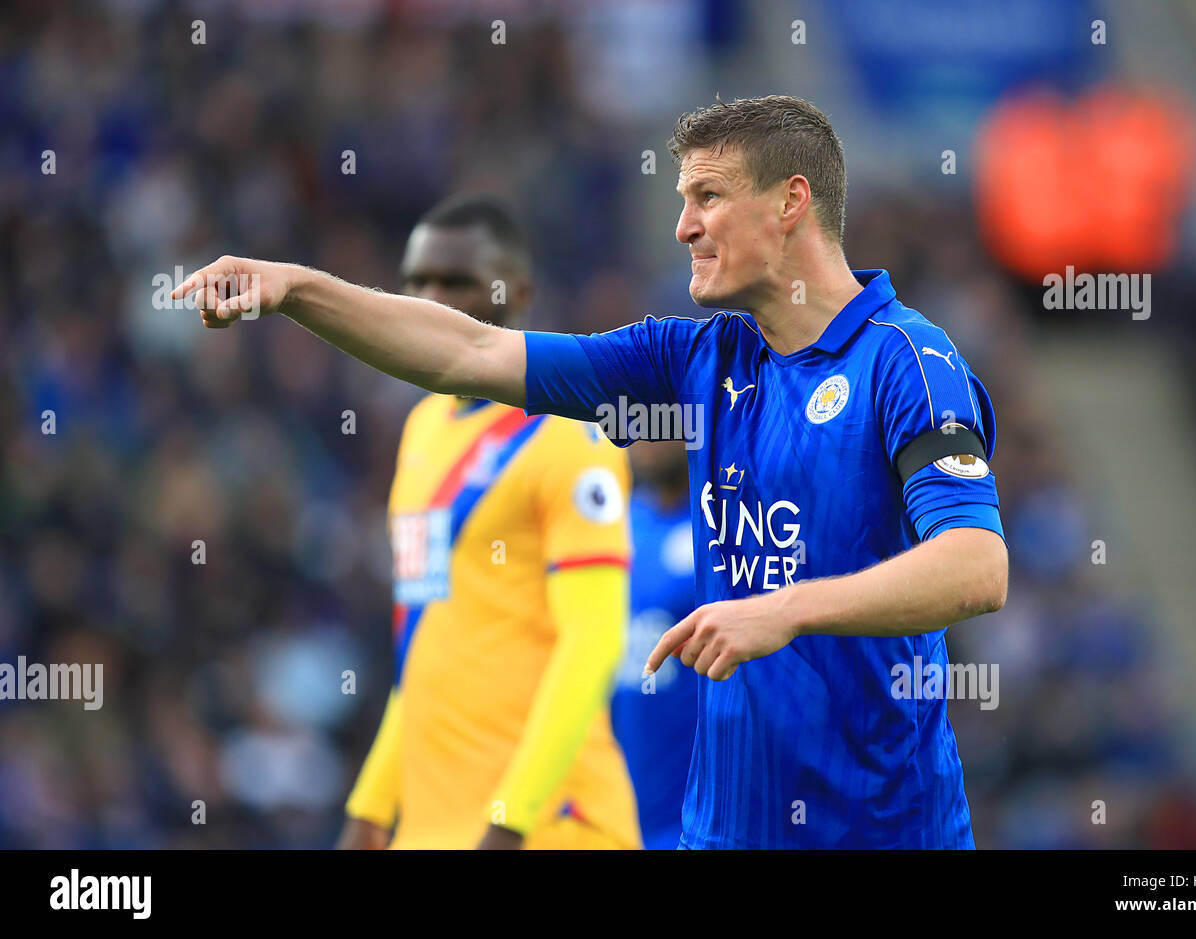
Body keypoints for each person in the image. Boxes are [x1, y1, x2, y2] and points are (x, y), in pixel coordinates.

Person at [177, 95, 1008, 849]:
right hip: (721, 831)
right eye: (682, 200)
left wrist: (784, 610)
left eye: (708, 197)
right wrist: (295, 288)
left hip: (883, 829)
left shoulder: (907, 360)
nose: (683, 225)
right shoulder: (695, 357)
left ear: (791, 202)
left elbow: (977, 565)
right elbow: (470, 350)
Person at [333, 194, 640, 850]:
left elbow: (592, 645)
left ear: (517, 291)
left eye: (456, 281)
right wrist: (370, 806)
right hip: (434, 828)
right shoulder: (421, 430)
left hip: (553, 827)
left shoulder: (568, 432)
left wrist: (509, 818)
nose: (430, 296)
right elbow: (427, 642)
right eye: (417, 280)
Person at [612, 441, 697, 850]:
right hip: (613, 825)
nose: (642, 434)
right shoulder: (617, 523)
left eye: (660, 411)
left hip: (695, 826)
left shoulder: (726, 531)